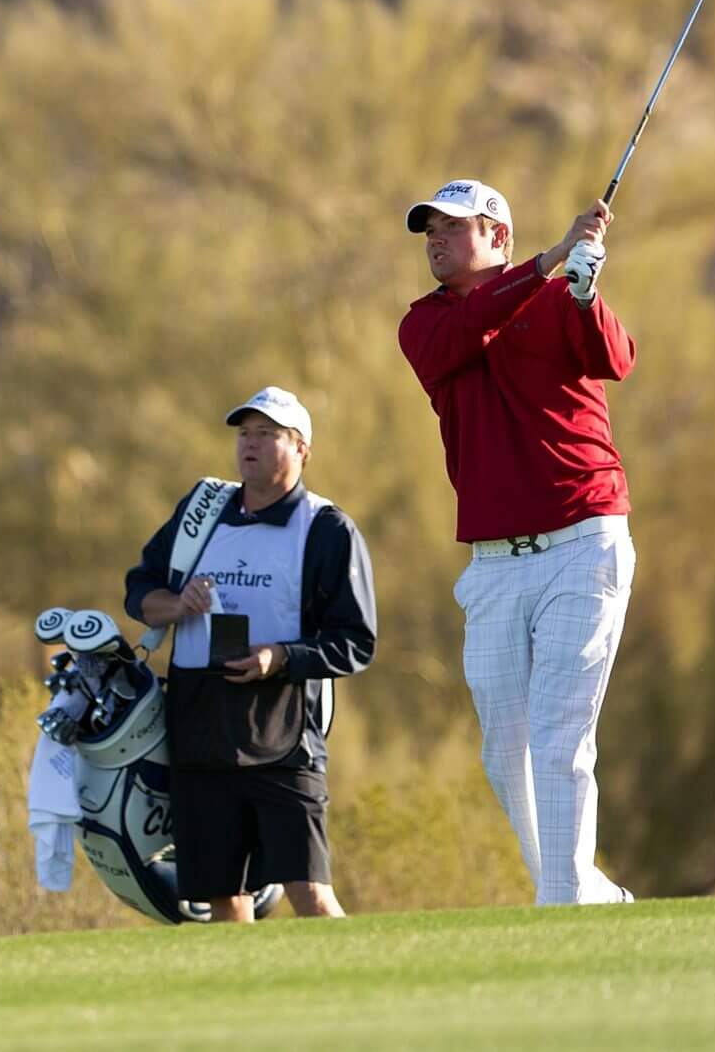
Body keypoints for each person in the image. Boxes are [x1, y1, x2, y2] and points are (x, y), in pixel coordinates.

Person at [396, 177, 637, 906]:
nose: (435, 238)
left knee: (559, 735)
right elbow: (461, 341)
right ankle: (580, 889)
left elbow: (616, 359)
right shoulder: (424, 324)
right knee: (506, 752)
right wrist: (548, 264)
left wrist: (586, 293)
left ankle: (563, 905)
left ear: (497, 235)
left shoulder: (558, 296)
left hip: (582, 541)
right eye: (429, 228)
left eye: (453, 226)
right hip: (495, 564)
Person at [123, 386, 378, 922]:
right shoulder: (202, 512)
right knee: (223, 899)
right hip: (199, 728)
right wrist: (175, 604)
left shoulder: (327, 528)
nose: (251, 445)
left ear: (302, 449)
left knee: (309, 891)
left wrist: (280, 658)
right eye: (245, 434)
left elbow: (355, 642)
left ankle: (358, 997)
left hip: (284, 737)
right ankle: (243, 1006)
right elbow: (139, 591)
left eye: (268, 434)